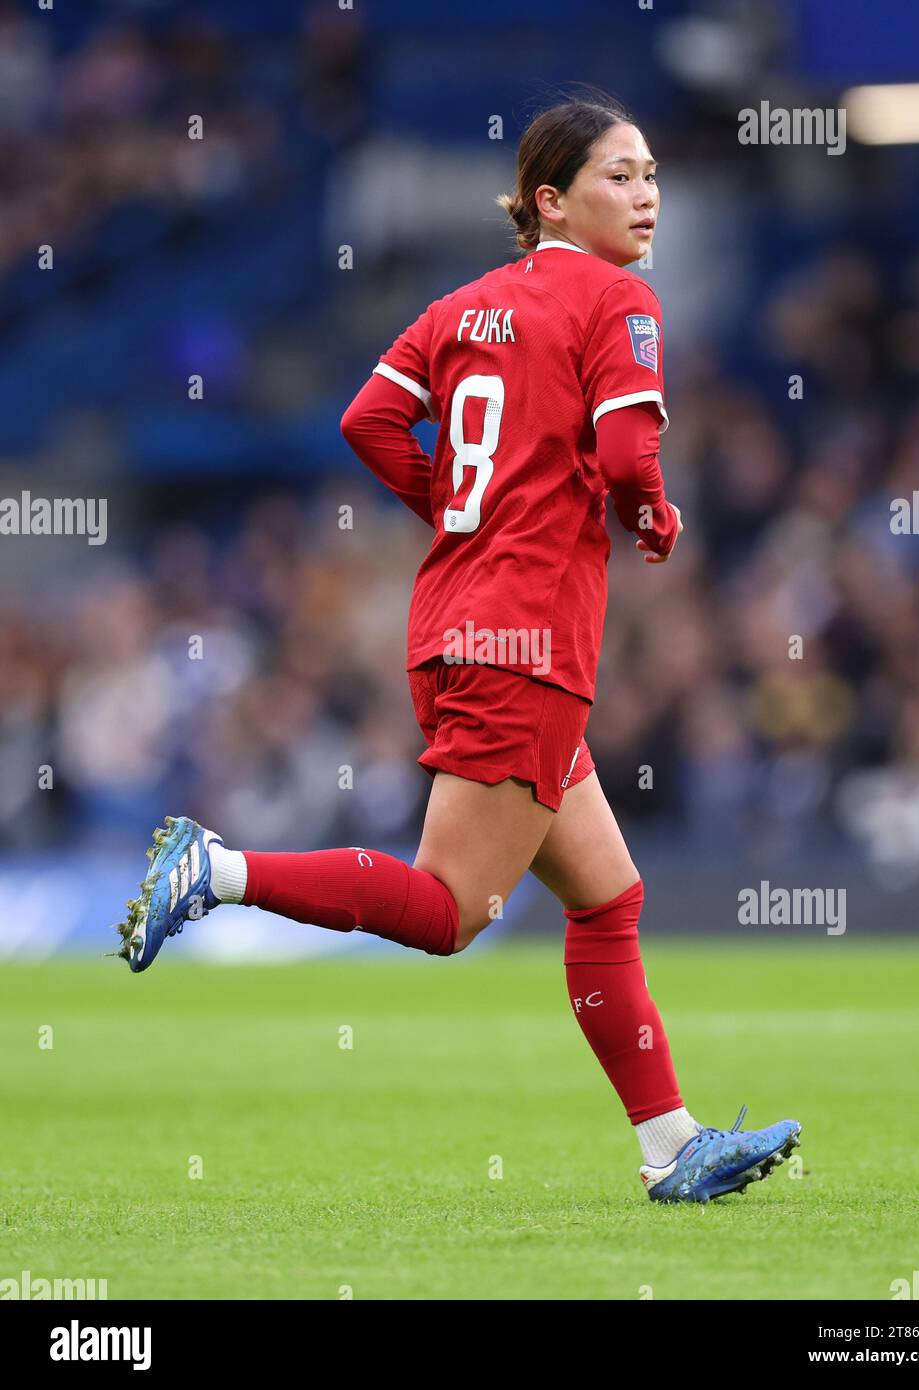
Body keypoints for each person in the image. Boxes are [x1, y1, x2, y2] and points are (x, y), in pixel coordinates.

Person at [113, 89, 800, 1204]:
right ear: (550, 199)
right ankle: (218, 868)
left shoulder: (462, 307)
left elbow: (365, 422)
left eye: (652, 176)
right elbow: (628, 456)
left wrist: (460, 507)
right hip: (527, 640)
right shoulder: (620, 301)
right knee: (448, 911)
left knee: (607, 899)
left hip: (455, 622)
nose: (646, 196)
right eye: (619, 176)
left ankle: (671, 1143)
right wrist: (655, 512)